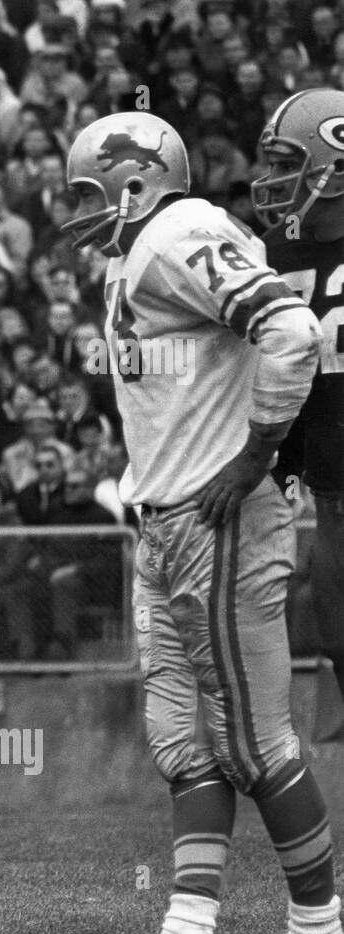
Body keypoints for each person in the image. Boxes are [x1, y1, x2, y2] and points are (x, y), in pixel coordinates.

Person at [66, 111, 342, 934]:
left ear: (138, 180)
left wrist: (256, 453)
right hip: (169, 523)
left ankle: (321, 932)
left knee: (256, 742)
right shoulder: (136, 249)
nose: (79, 209)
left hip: (218, 518)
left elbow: (290, 330)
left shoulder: (178, 231)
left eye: (91, 189)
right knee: (183, 739)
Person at [251, 88, 344, 742]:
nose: (271, 180)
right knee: (338, 637)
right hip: (330, 496)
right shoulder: (274, 256)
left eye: (286, 162)